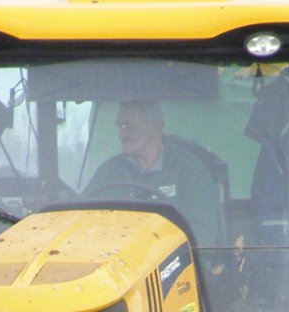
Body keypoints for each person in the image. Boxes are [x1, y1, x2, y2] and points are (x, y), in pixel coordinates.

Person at [87, 101, 222, 242]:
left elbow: (201, 239)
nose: (121, 134)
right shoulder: (108, 172)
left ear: (155, 126)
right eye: (120, 127)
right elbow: (80, 218)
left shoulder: (192, 172)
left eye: (128, 126)